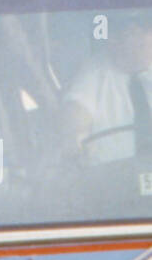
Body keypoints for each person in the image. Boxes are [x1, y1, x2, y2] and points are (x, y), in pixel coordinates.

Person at [63, 14, 152, 164]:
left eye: (146, 32)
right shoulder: (95, 72)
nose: (144, 40)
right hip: (113, 180)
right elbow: (75, 118)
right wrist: (76, 134)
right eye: (134, 33)